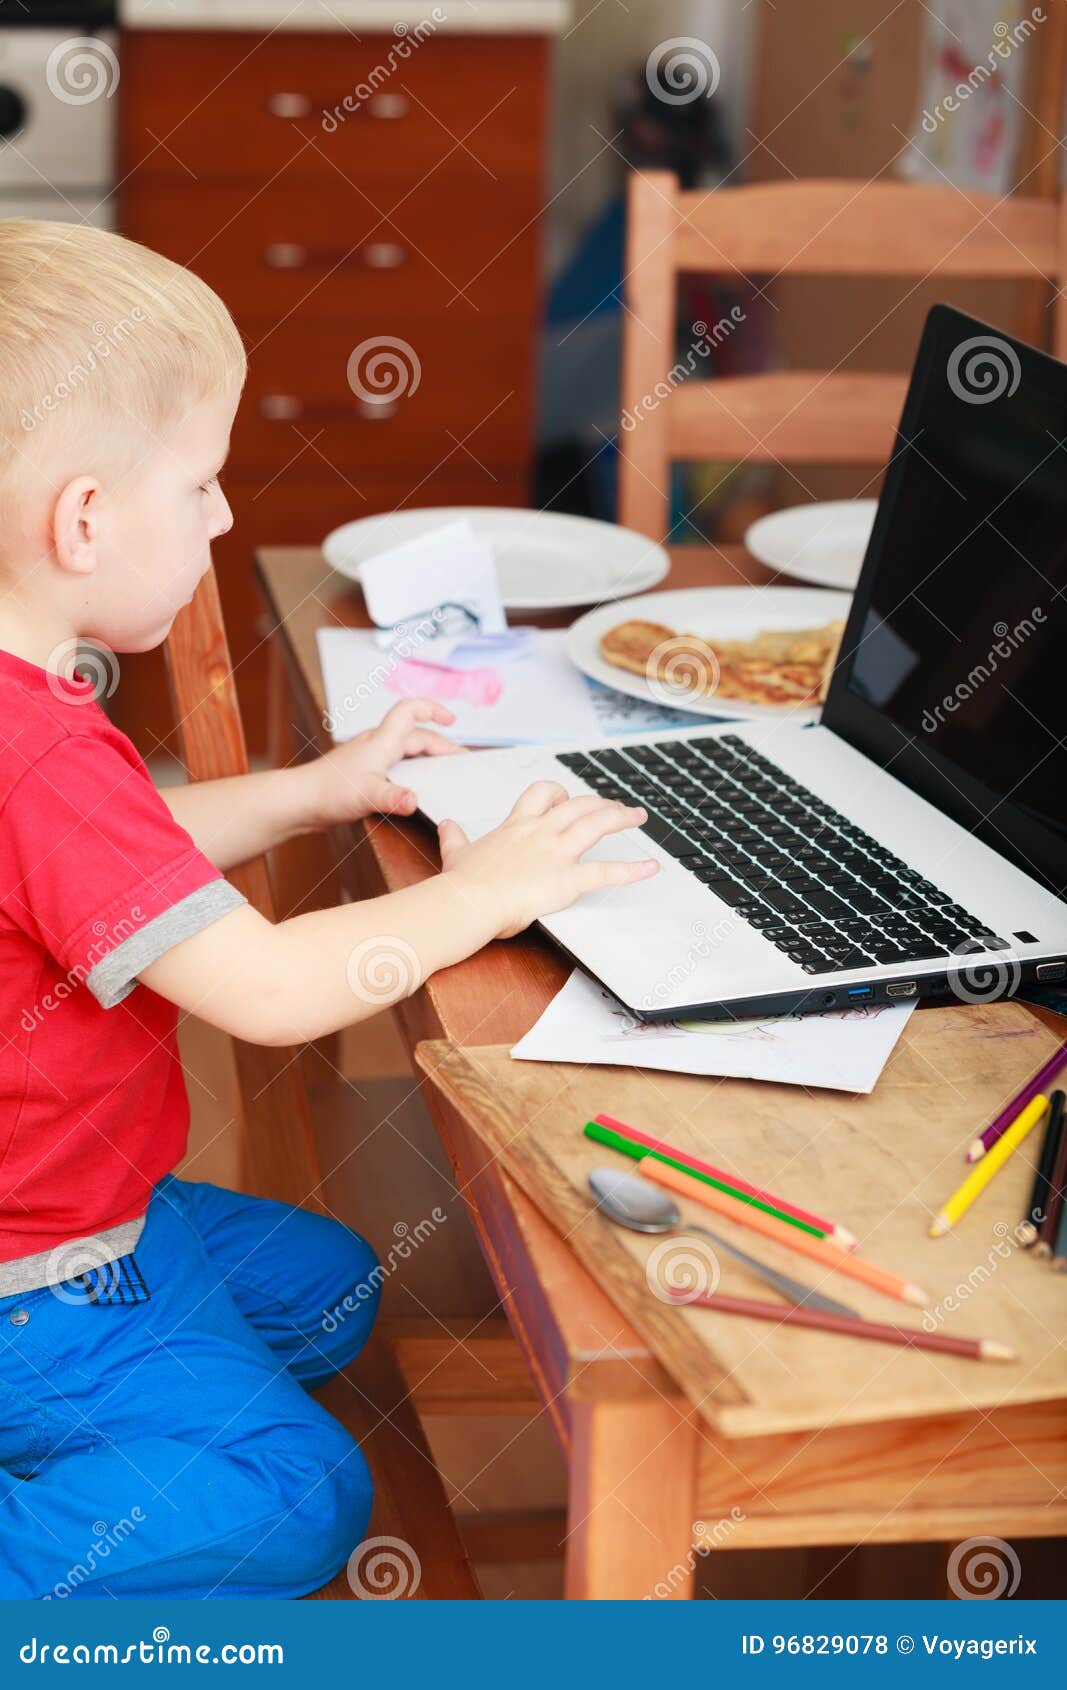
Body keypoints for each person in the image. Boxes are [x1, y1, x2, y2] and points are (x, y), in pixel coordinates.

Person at [0, 221, 656, 1598]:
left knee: (339, 1286)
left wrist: (310, 790)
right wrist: (487, 890)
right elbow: (277, 990)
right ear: (82, 520)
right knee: (304, 1493)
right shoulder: (40, 748)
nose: (225, 517)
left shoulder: (30, 717)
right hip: (44, 1278)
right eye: (202, 483)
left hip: (82, 1214)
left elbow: (120, 860)